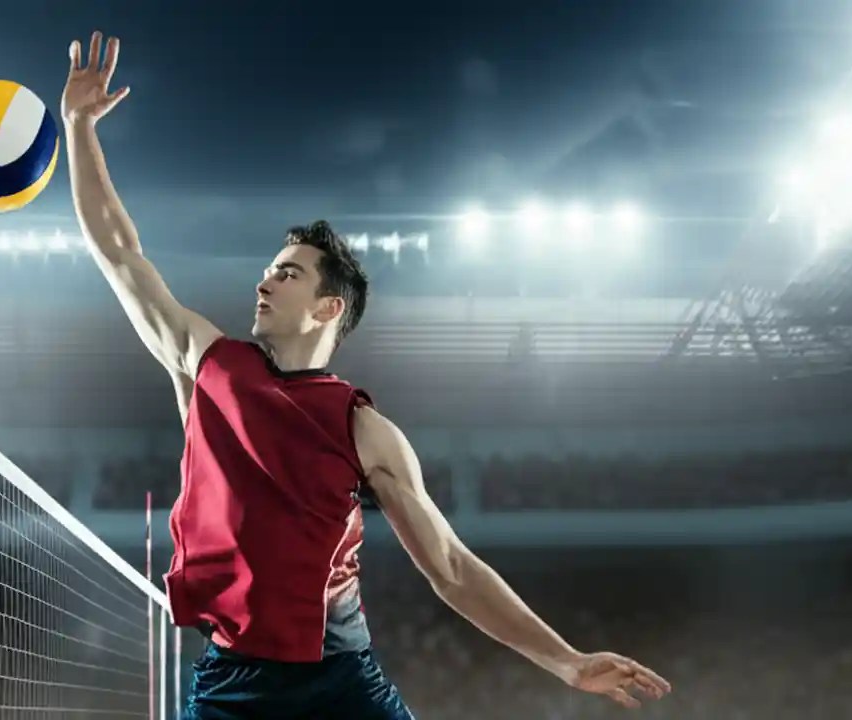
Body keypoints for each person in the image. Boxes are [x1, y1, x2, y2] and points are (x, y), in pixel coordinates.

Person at [62, 31, 673, 719]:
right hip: (230, 687)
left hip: (341, 683)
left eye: (286, 272)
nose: (265, 281)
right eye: (268, 269)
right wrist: (79, 128)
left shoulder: (365, 430)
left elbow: (449, 568)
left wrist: (566, 659)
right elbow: (121, 253)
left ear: (329, 307)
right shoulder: (209, 366)